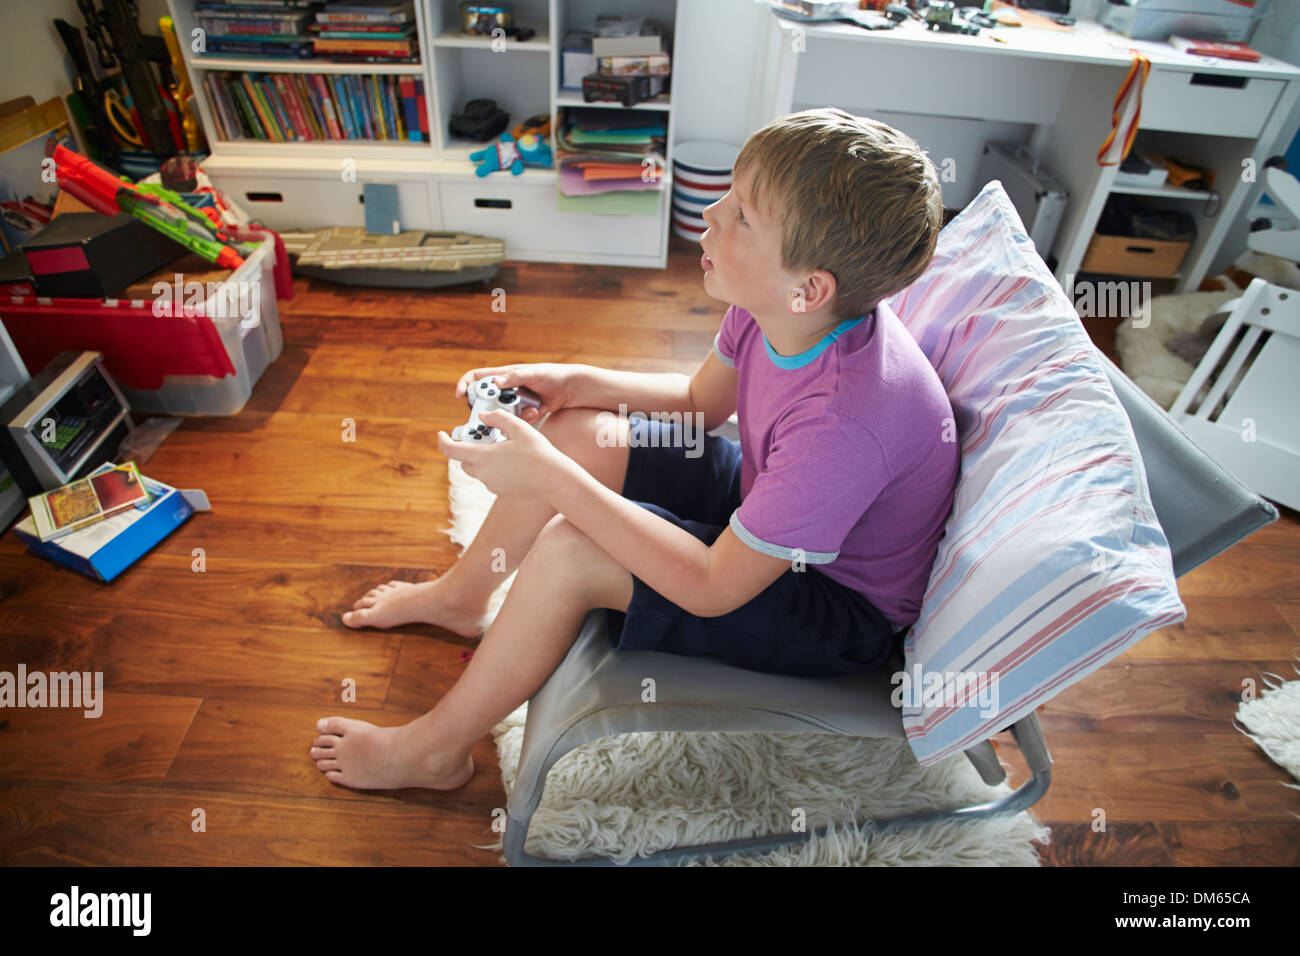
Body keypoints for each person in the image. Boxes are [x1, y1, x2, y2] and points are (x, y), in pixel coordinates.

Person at [310, 107, 960, 791]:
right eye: (730, 194)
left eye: (742, 215)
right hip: (767, 502)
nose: (711, 212)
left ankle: (432, 752)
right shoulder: (780, 306)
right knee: (578, 430)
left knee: (572, 547)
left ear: (811, 287)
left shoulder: (844, 424)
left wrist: (555, 484)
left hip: (829, 604)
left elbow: (712, 588)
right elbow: (700, 406)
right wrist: (576, 381)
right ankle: (460, 599)